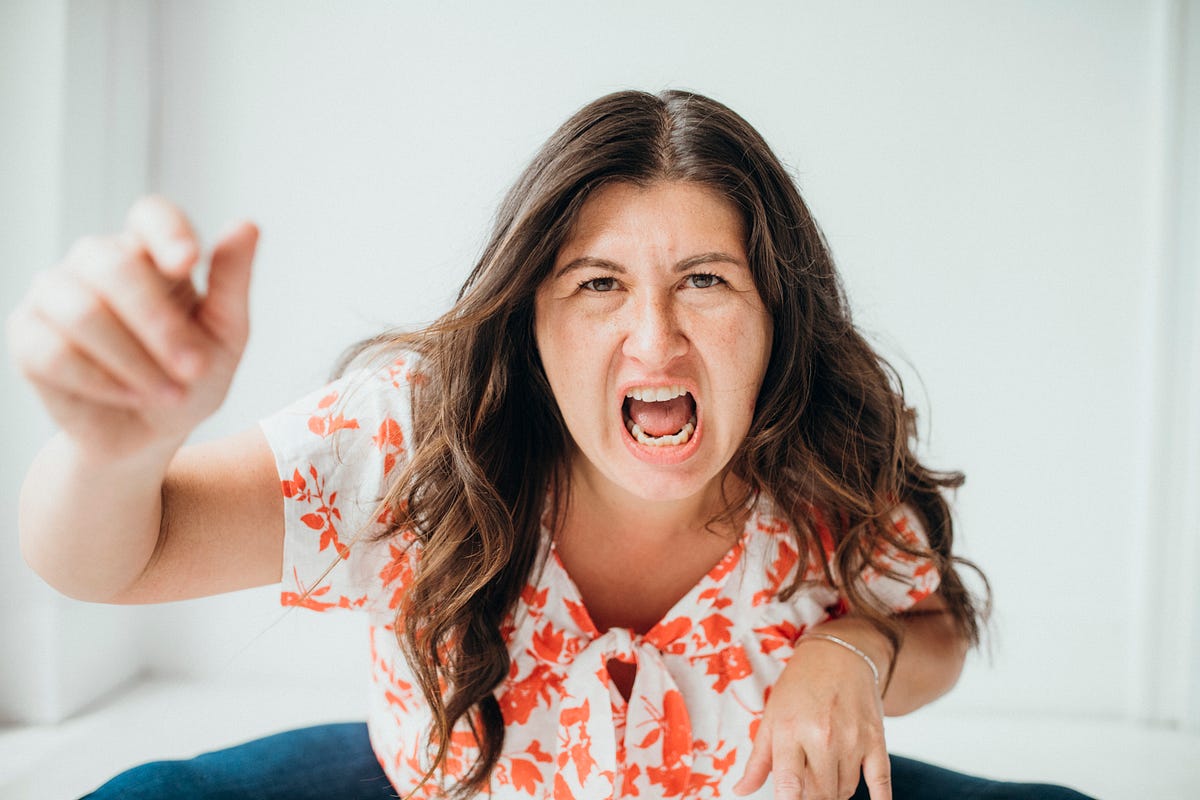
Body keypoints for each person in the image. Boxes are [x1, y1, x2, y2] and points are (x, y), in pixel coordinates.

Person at [8, 90, 1092, 800]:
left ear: (776, 316)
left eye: (706, 280)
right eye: (599, 284)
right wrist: (117, 448)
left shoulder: (822, 448)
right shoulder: (418, 440)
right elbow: (114, 558)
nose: (654, 337)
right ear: (532, 318)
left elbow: (935, 624)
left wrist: (852, 649)